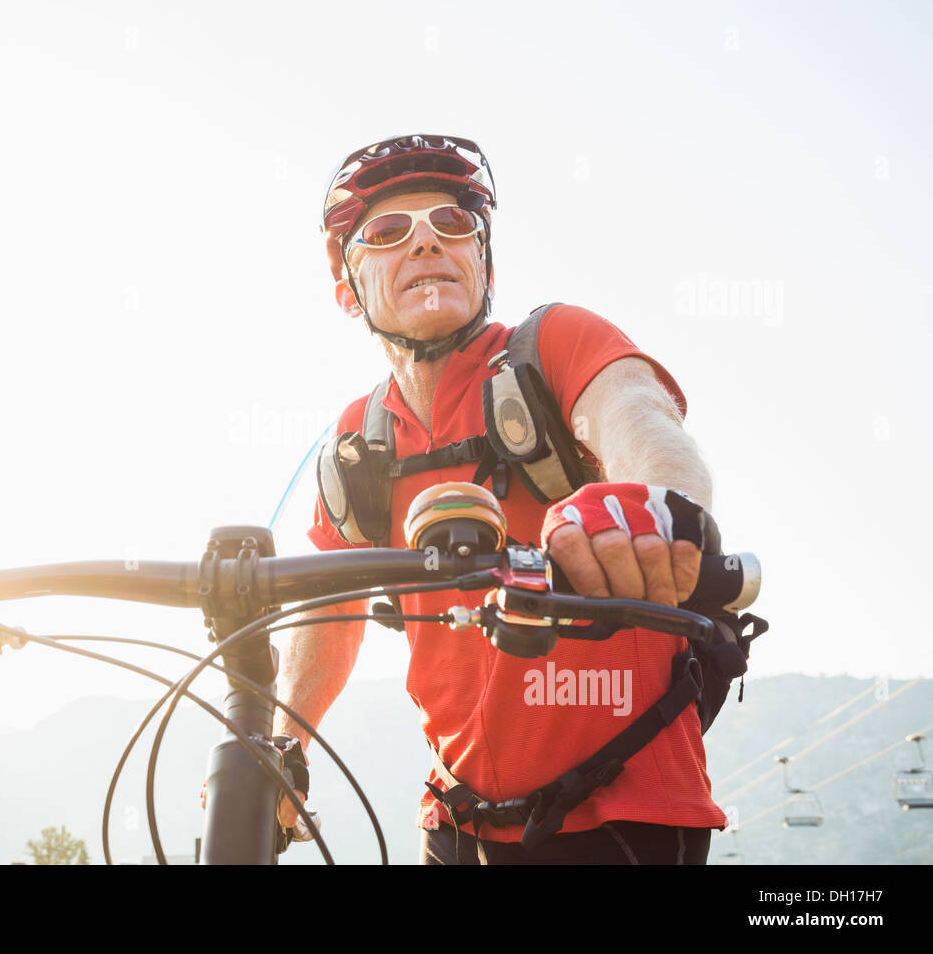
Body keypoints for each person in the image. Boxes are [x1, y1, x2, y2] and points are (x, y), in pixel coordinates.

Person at [272, 134, 728, 865]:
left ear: (483, 262)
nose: (426, 245)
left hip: (622, 812)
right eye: (389, 234)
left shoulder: (552, 346)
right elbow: (329, 611)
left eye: (453, 226)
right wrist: (281, 743)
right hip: (456, 822)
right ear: (346, 288)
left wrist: (652, 508)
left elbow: (636, 414)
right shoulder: (359, 440)